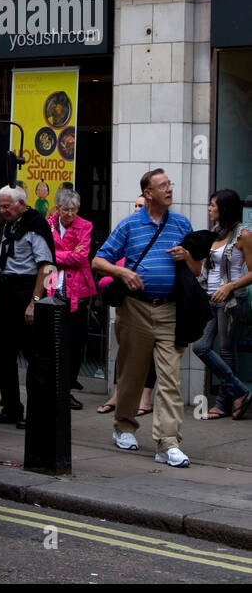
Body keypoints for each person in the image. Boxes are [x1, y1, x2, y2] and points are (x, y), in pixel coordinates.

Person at [92, 168, 194, 467]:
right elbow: (99, 261)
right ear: (148, 194)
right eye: (162, 186)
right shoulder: (129, 225)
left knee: (170, 378)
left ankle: (167, 442)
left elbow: (197, 269)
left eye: (169, 185)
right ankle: (124, 426)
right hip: (135, 308)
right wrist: (122, 271)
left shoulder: (182, 224)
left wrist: (187, 257)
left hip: (169, 309)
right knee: (132, 374)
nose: (169, 190)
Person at [0, 184, 56, 426]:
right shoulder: (10, 223)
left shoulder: (35, 224)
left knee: (33, 356)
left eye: (7, 206)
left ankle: (37, 412)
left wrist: (34, 302)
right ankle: (11, 407)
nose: (3, 210)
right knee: (2, 353)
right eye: (1, 206)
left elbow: (46, 266)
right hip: (5, 292)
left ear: (20, 204)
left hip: (26, 290)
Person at [190, 190, 252, 419]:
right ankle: (240, 391)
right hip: (209, 298)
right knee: (201, 347)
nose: (209, 208)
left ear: (224, 208)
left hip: (232, 301)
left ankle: (225, 403)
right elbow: (200, 268)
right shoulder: (214, 234)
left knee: (227, 350)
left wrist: (229, 287)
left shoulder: (243, 235)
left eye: (212, 205)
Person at [98, 193, 156, 415]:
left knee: (149, 351)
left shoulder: (160, 232)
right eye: (135, 205)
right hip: (126, 302)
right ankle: (116, 394)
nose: (136, 209)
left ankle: (145, 398)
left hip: (151, 303)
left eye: (141, 205)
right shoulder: (127, 231)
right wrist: (120, 274)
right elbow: (102, 265)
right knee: (123, 349)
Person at [48, 187, 95, 409]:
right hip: (51, 289)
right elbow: (45, 254)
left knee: (75, 344)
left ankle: (67, 389)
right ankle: (53, 389)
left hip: (77, 292)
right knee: (53, 342)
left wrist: (59, 255)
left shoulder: (85, 226)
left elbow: (81, 256)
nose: (70, 215)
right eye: (66, 210)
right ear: (57, 208)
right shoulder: (47, 224)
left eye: (74, 210)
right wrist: (68, 254)